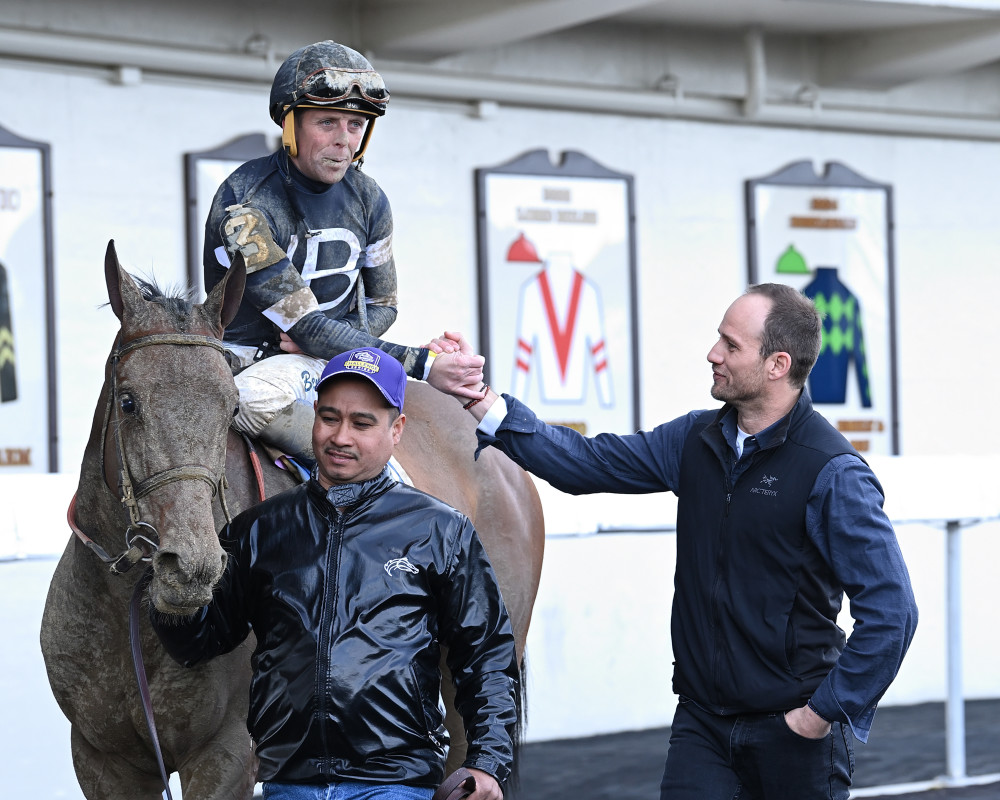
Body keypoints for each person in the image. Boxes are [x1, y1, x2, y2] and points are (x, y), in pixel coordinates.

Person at [428, 283, 918, 799]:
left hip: (793, 734)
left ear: (777, 364)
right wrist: (481, 402)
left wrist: (823, 713)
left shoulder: (832, 470)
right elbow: (586, 463)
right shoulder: (694, 439)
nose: (713, 354)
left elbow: (892, 611)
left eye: (731, 346)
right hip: (701, 726)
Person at [150, 347, 518, 800]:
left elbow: (487, 658)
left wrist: (488, 763)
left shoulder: (441, 530)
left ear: (396, 430)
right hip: (289, 785)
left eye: (362, 424)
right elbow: (200, 643)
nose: (341, 436)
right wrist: (170, 593)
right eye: (329, 418)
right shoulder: (258, 530)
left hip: (395, 787)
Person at [203, 40, 483, 459]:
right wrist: (424, 365)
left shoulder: (371, 199)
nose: (344, 140)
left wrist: (329, 343)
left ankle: (381, 498)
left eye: (355, 125)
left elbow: (383, 305)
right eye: (327, 122)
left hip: (325, 361)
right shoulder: (243, 204)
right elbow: (307, 327)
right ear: (291, 123)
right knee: (246, 397)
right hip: (246, 367)